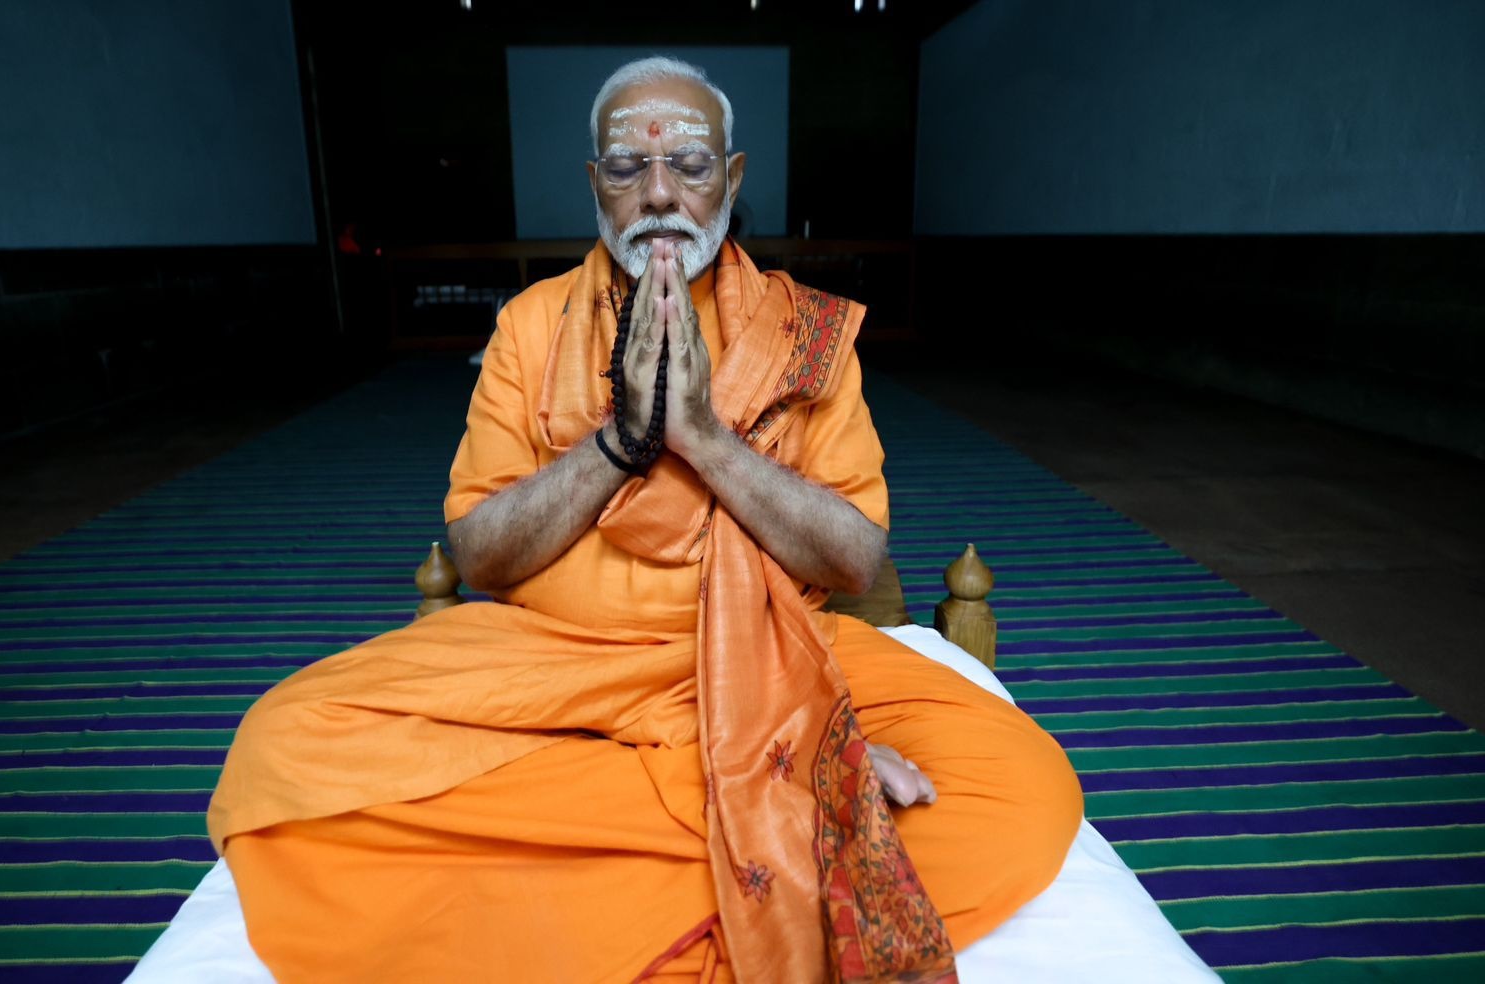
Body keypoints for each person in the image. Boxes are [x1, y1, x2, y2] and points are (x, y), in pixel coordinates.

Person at [208, 56, 1081, 983]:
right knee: (284, 743)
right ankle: (756, 811)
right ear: (596, 185)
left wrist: (704, 438)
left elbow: (856, 558)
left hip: (775, 659)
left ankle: (641, 840)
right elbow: (481, 555)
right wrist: (621, 440)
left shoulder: (805, 333)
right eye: (627, 168)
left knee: (1021, 789)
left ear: (732, 179)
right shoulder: (532, 326)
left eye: (690, 166)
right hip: (556, 662)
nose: (659, 194)